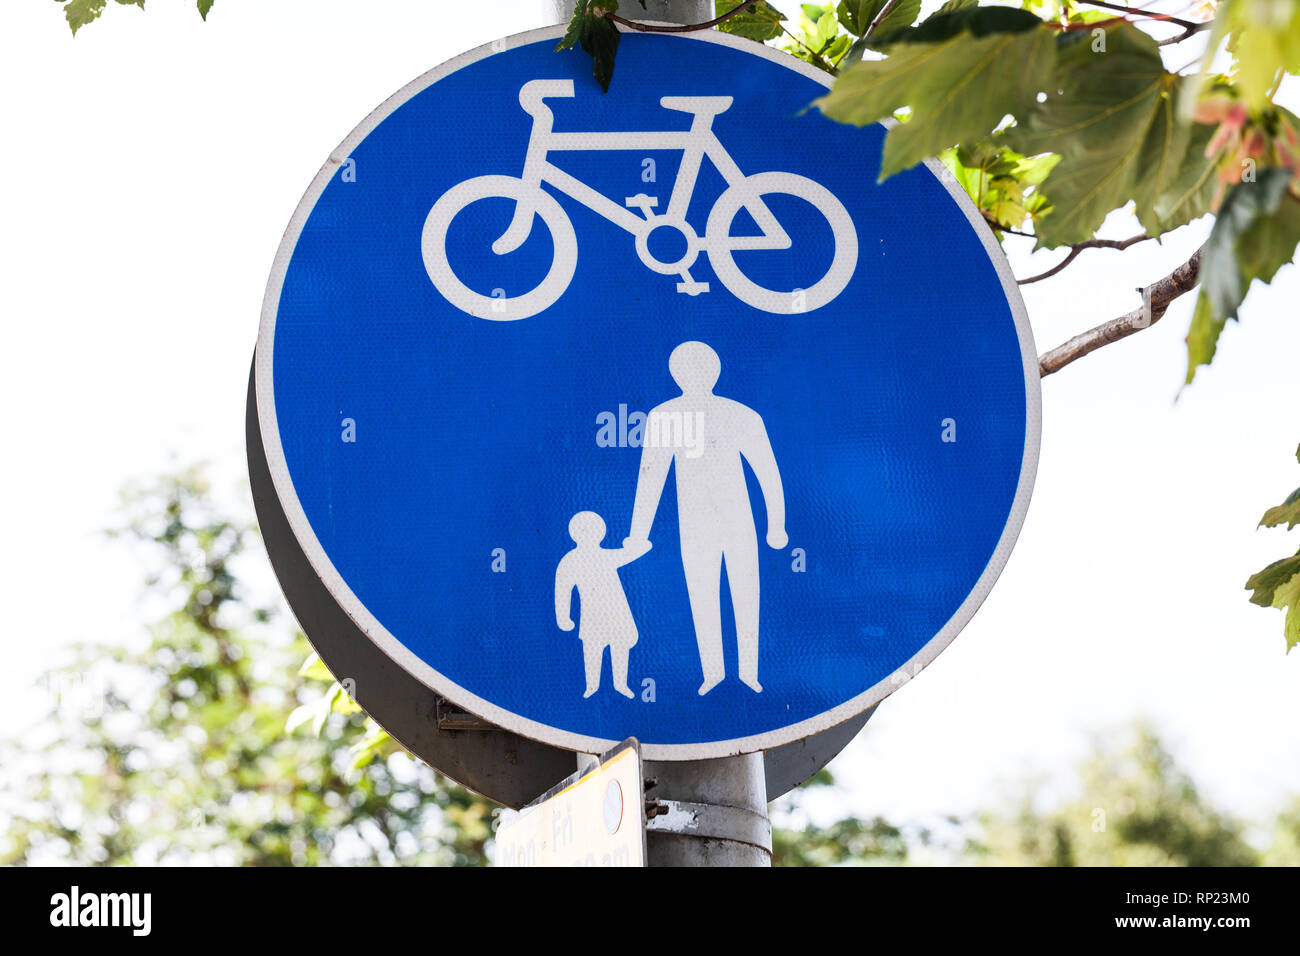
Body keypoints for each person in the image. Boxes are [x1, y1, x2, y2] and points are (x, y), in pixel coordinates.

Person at [626, 341, 786, 695]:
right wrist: (638, 533)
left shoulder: (741, 415)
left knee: (746, 594)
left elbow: (767, 473)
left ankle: (749, 673)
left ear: (714, 371)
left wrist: (777, 525)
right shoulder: (664, 417)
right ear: (675, 375)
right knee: (703, 595)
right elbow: (651, 478)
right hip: (695, 526)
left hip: (738, 521)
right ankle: (712, 674)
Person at [555, 511, 651, 698]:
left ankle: (621, 685)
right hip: (592, 616)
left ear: (601, 533)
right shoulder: (570, 560)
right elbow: (562, 590)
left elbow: (627, 555)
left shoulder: (605, 555)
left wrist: (641, 546)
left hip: (616, 612)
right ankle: (591, 686)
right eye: (584, 531)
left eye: (593, 531)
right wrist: (563, 618)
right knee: (592, 649)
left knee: (620, 646)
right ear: (575, 533)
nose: (589, 535)